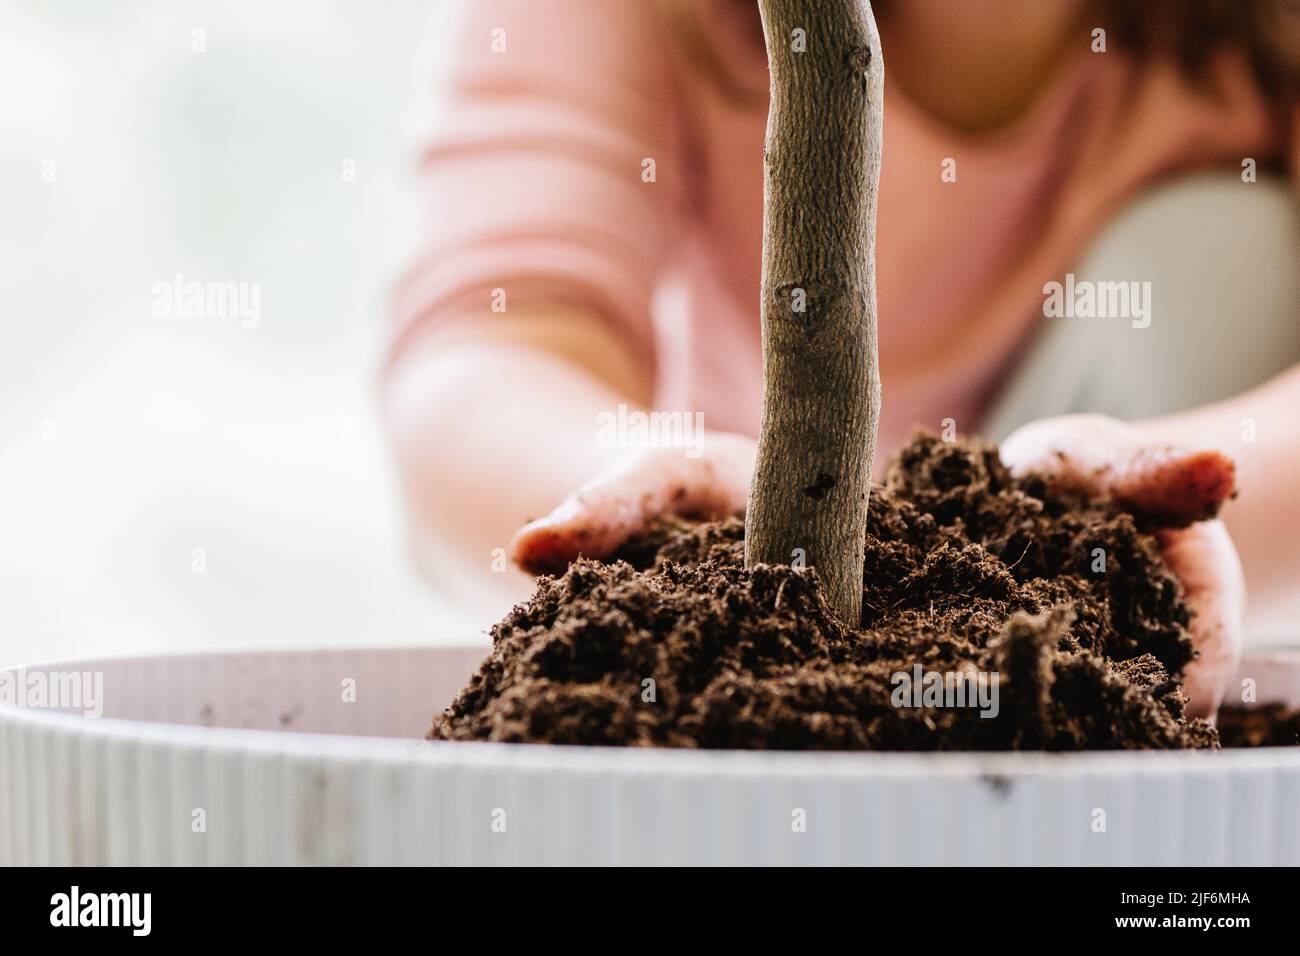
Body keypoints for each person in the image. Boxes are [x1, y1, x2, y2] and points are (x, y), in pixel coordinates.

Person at [383, 0, 1300, 718]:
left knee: (1217, 253)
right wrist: (657, 527)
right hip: (761, 569)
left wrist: (1120, 528)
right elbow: (490, 344)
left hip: (1071, 601)